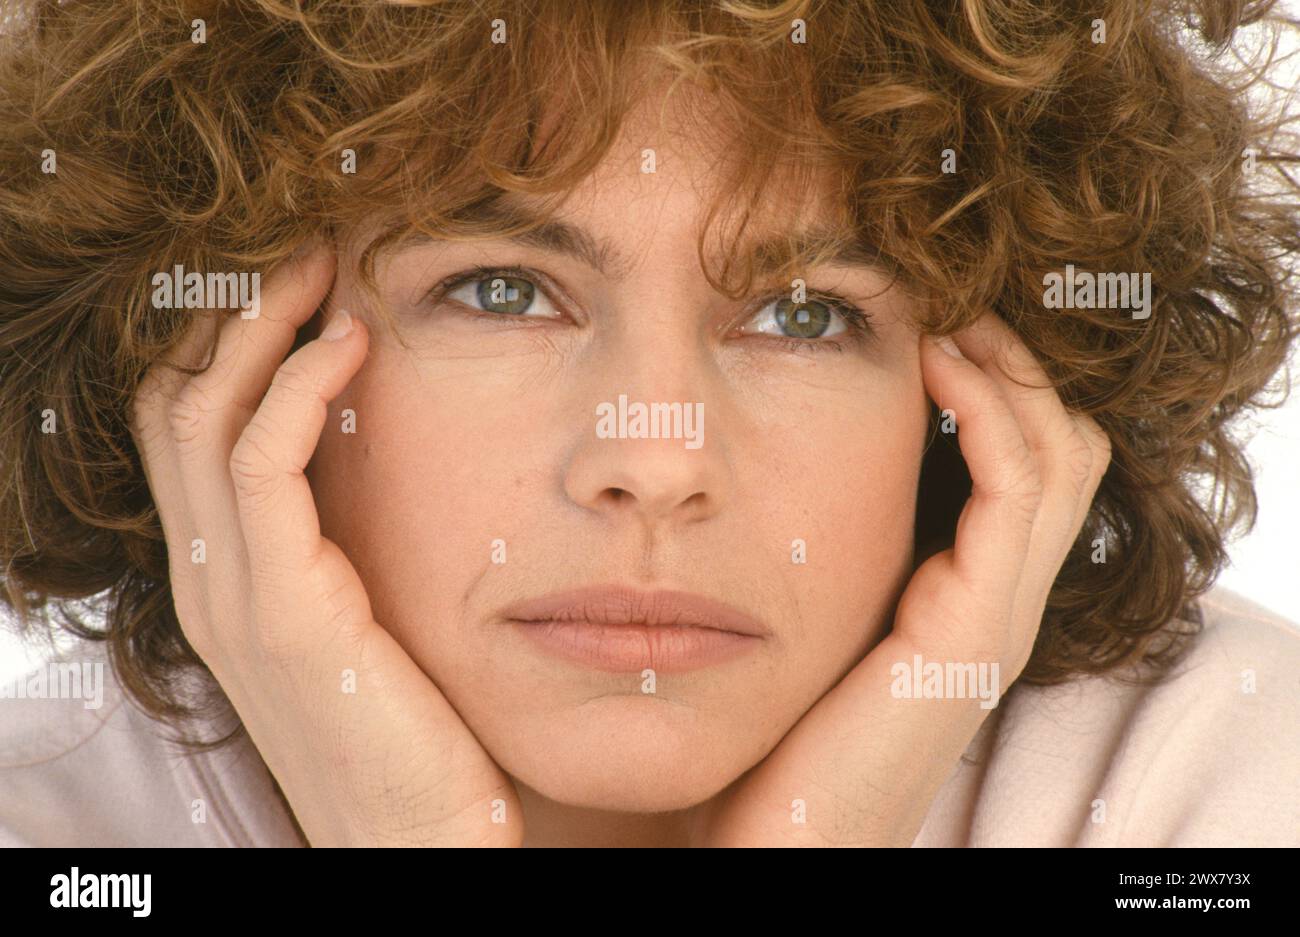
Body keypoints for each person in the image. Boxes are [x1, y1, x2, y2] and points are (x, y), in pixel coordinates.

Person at [0, 0, 1297, 847]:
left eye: (801, 314)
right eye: (501, 292)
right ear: (231, 356)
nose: (657, 458)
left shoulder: (1222, 778)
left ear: (978, 400)